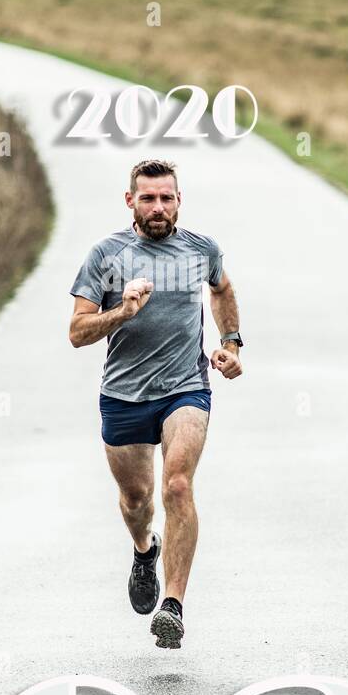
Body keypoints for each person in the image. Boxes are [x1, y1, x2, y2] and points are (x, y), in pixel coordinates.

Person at [69, 158, 243, 648]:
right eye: (148, 198)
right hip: (123, 394)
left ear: (179, 200)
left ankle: (173, 605)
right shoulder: (105, 256)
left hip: (186, 387)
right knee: (137, 500)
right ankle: (144, 551)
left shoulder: (201, 249)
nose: (159, 207)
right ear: (131, 202)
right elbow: (77, 333)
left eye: (167, 197)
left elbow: (222, 288)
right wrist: (122, 311)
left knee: (178, 484)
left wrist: (231, 344)